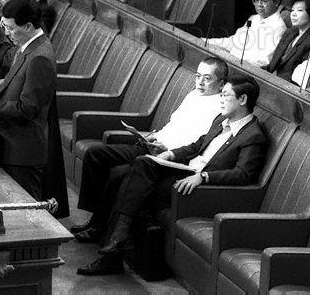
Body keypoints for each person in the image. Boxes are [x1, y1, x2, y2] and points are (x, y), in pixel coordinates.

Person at [78, 74, 268, 276]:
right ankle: (115, 244)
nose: (220, 99)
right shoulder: (221, 120)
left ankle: (114, 245)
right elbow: (197, 146)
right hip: (184, 171)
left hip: (202, 189)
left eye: (225, 95)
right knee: (123, 173)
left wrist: (203, 178)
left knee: (135, 173)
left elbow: (242, 174)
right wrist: (171, 153)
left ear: (243, 99)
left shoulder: (253, 135)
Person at [71, 57, 228, 244]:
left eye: (207, 78)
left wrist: (167, 149)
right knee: (95, 155)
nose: (200, 82)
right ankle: (97, 218)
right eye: (198, 76)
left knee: (117, 174)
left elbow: (198, 144)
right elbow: (174, 124)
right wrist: (153, 136)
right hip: (154, 145)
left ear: (221, 84)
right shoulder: (193, 95)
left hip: (169, 158)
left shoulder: (220, 108)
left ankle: (98, 225)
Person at [0, 0, 68, 218]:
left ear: (28, 26)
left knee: (26, 219)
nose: (8, 33)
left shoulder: (40, 57)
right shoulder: (29, 46)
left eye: (10, 28)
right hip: (13, 145)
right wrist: (3, 85)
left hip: (23, 153)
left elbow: (27, 109)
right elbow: (12, 65)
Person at [207, 0, 287, 67]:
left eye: (264, 0)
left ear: (276, 2)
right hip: (231, 62)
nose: (259, 4)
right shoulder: (253, 18)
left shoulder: (279, 27)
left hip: (244, 70)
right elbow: (233, 42)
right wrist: (206, 41)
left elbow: (265, 61)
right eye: (256, 0)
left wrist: (233, 60)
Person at [265, 0, 310, 82]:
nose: (293, 14)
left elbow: (301, 74)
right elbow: (273, 64)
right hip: (272, 78)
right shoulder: (290, 31)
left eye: (299, 10)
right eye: (292, 10)